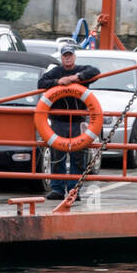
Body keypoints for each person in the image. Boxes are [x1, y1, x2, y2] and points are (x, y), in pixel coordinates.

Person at [37, 41, 100, 201]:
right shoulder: (55, 72)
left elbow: (95, 71)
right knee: (57, 156)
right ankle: (57, 189)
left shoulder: (82, 70)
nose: (67, 58)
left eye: (70, 55)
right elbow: (41, 83)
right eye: (65, 56)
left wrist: (75, 78)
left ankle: (74, 190)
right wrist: (58, 82)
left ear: (74, 56)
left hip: (78, 121)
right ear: (61, 57)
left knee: (78, 158)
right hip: (58, 122)